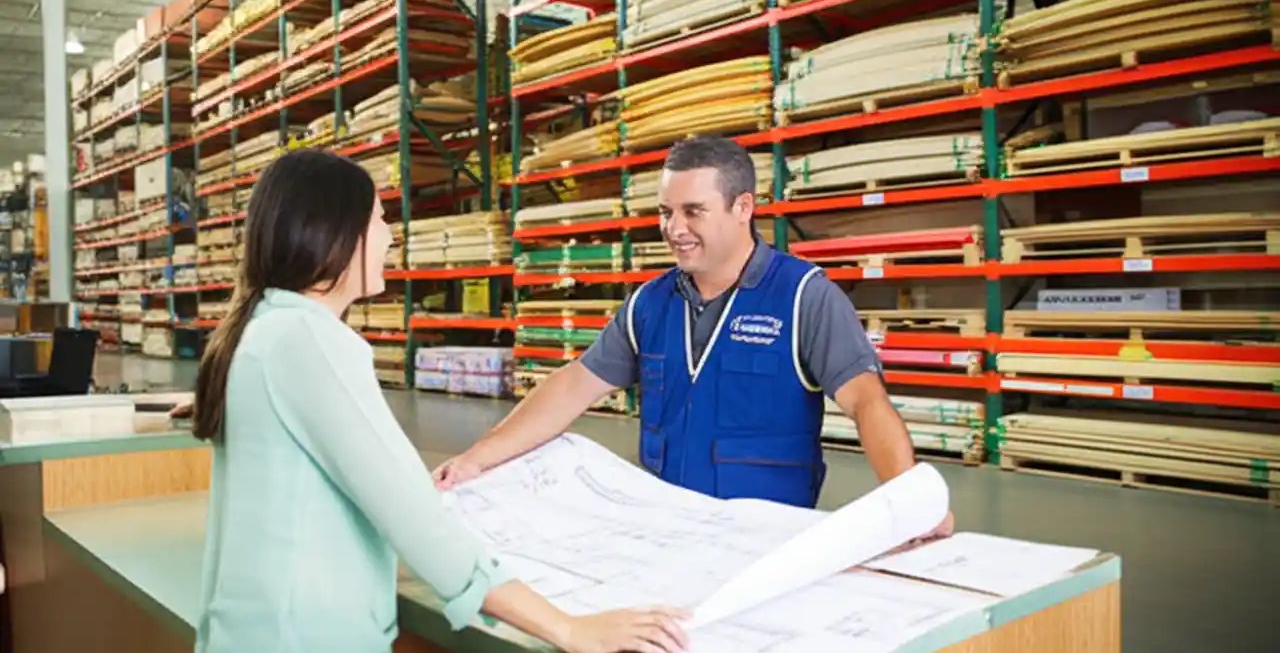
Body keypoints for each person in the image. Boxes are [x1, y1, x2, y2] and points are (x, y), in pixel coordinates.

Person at [188, 149, 688, 653]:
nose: (389, 236)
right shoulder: (307, 342)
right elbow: (414, 518)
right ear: (335, 234)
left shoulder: (263, 329)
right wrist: (568, 627)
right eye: (380, 219)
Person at [434, 137, 955, 536]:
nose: (674, 228)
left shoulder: (803, 299)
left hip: (765, 538)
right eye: (665, 212)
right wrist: (479, 457)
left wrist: (911, 502)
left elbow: (867, 402)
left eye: (693, 212)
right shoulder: (651, 303)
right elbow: (574, 385)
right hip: (666, 531)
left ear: (743, 207)